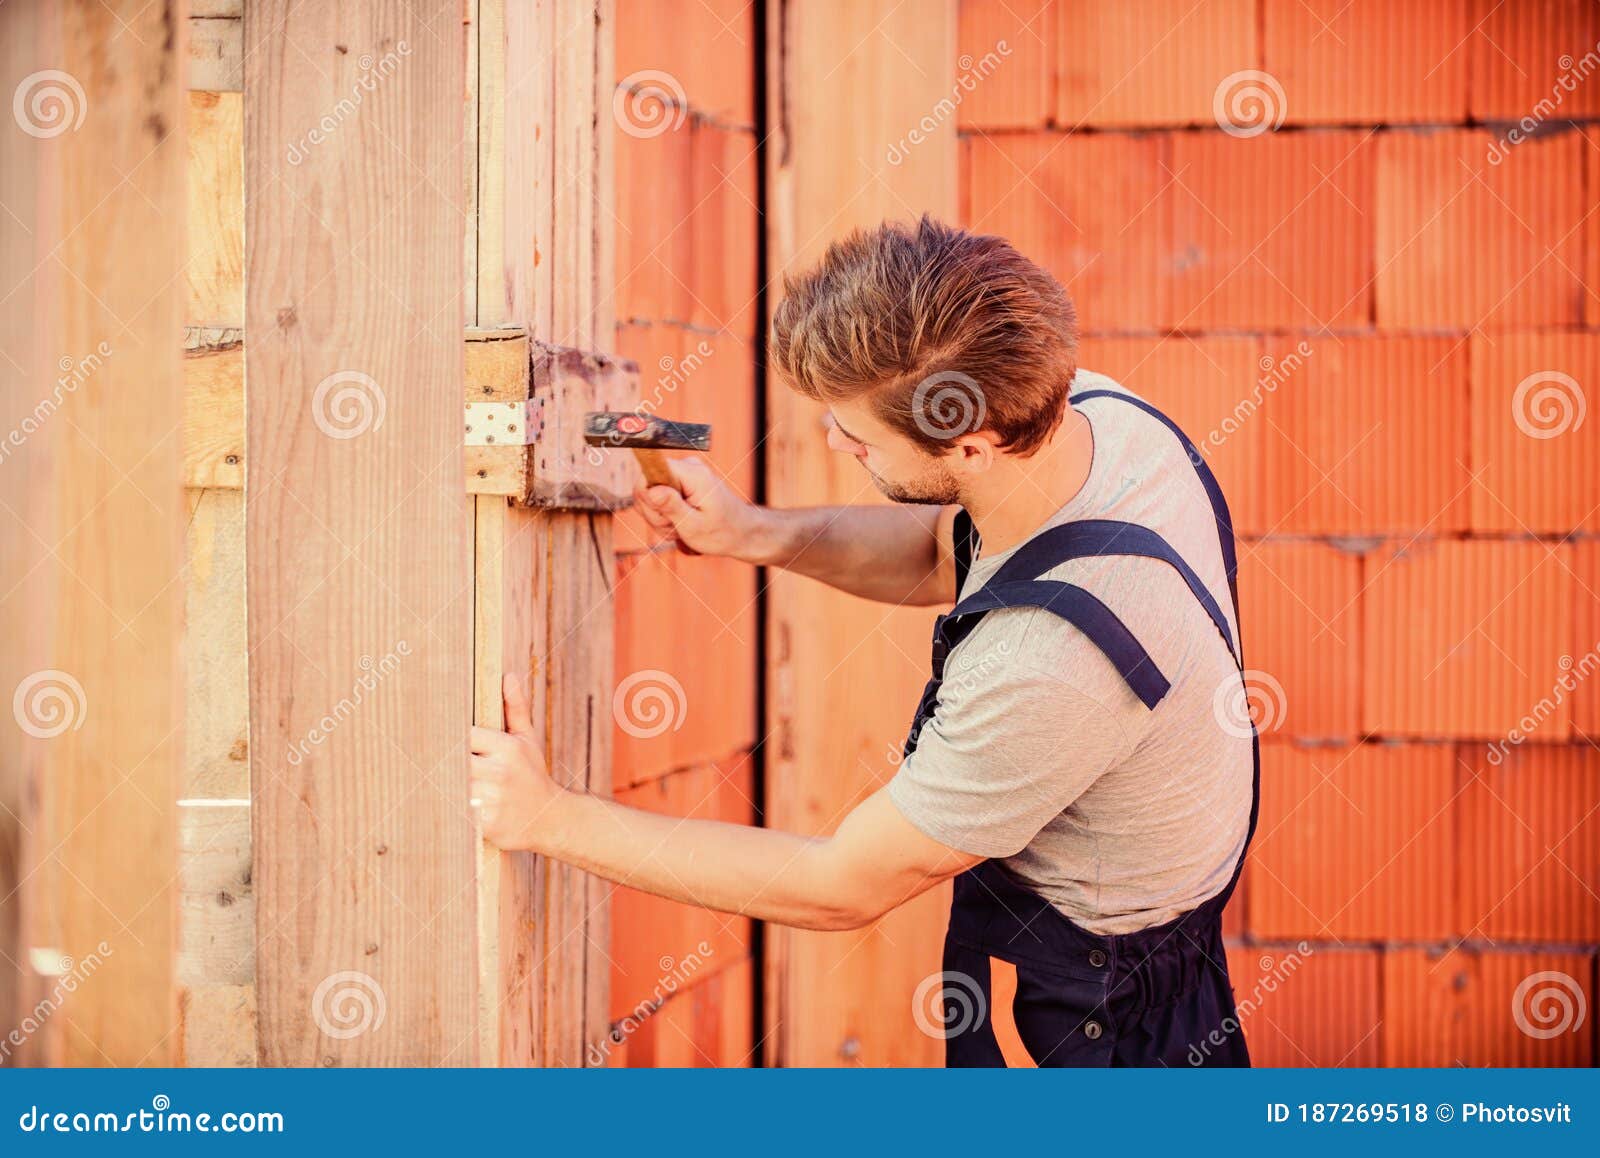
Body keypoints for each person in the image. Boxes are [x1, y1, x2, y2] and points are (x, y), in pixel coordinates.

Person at [470, 216, 1257, 1067]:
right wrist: (748, 531)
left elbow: (842, 885)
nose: (834, 439)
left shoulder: (1049, 667)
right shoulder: (1098, 417)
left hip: (1108, 1018)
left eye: (858, 434)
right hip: (1140, 932)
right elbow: (942, 547)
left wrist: (547, 816)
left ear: (970, 444)